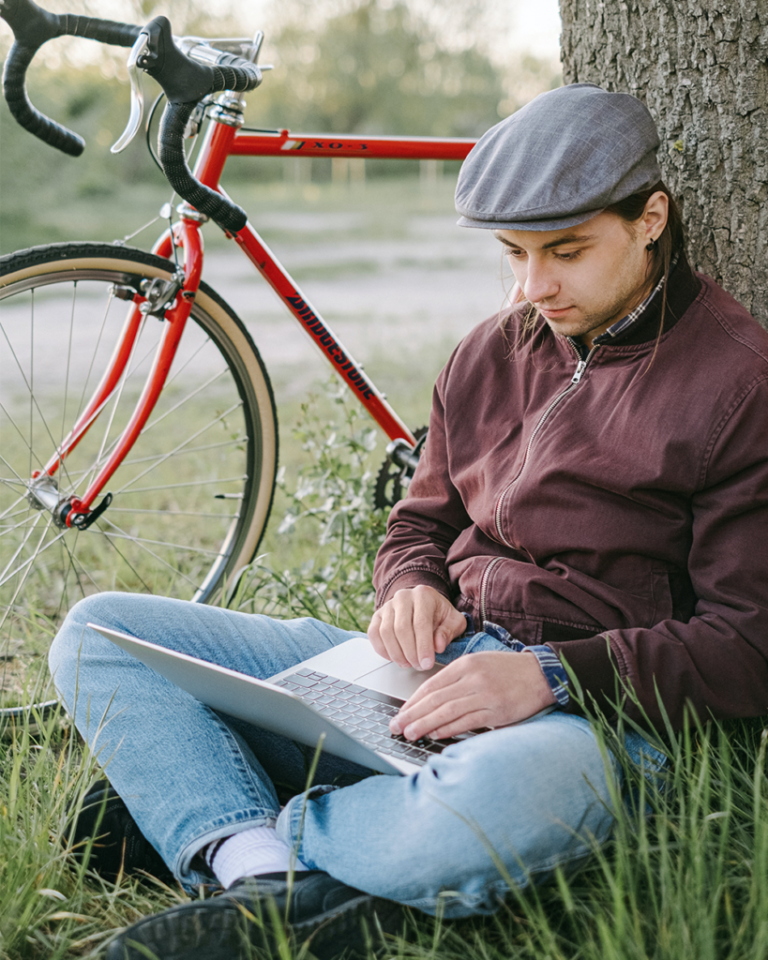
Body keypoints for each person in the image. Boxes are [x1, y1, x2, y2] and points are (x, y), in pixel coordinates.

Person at [49, 82, 768, 960]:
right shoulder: (490, 351)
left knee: (500, 802)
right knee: (100, 633)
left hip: (590, 720)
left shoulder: (740, 386)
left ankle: (231, 813)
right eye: (514, 254)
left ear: (650, 218)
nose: (534, 287)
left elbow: (748, 642)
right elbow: (418, 523)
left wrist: (550, 676)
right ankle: (264, 872)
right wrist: (410, 588)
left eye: (567, 253)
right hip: (420, 675)